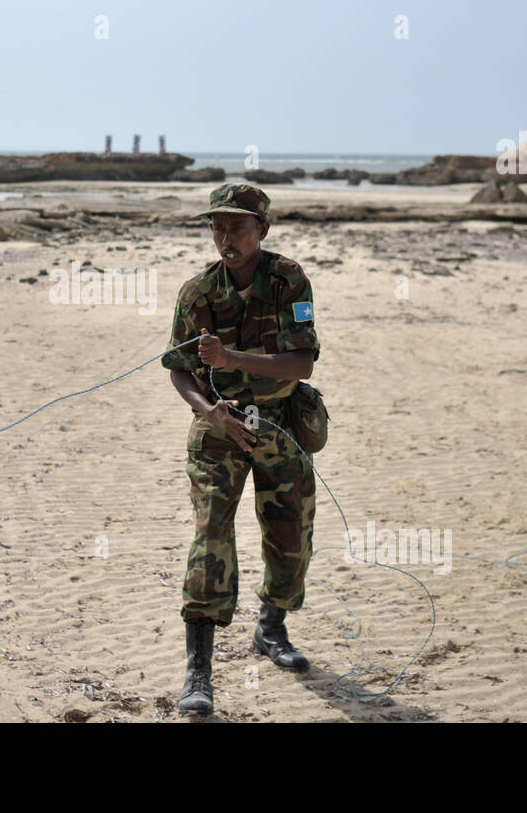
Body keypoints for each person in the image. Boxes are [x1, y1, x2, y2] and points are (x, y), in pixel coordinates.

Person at [161, 183, 320, 716]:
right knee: (211, 533)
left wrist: (230, 357)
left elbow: (301, 365)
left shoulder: (289, 280)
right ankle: (198, 670)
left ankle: (271, 629)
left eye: (237, 226)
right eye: (216, 226)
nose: (224, 236)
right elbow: (181, 371)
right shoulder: (196, 292)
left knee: (290, 533)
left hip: (279, 424)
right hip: (218, 425)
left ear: (262, 230)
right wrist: (209, 412)